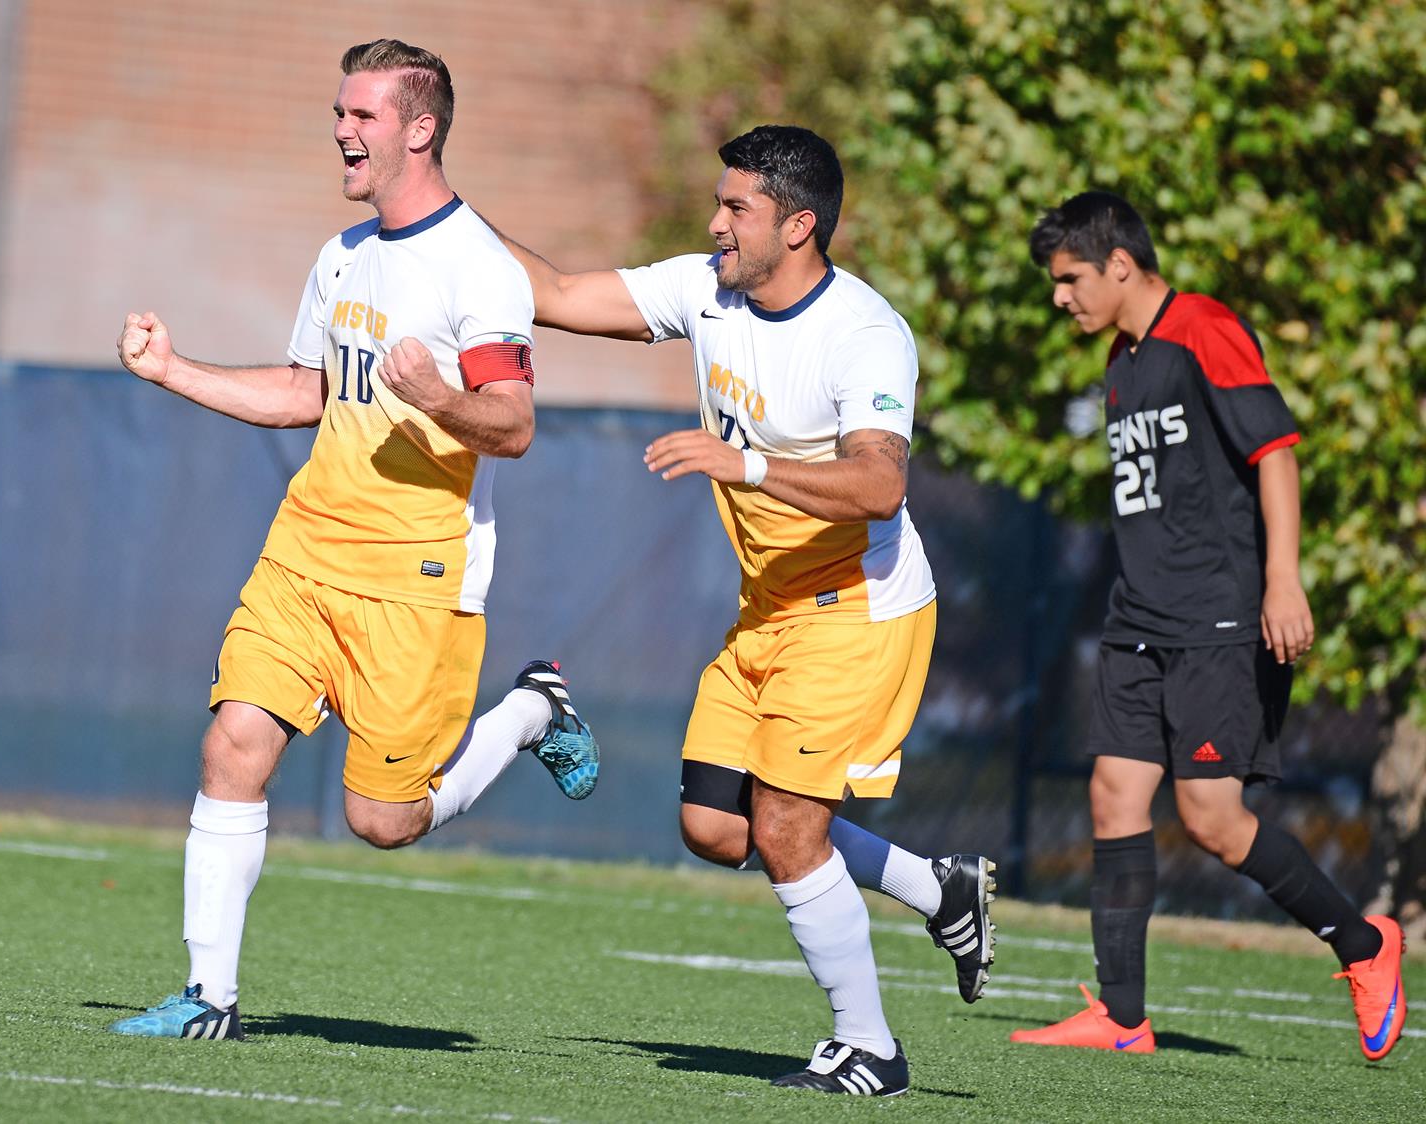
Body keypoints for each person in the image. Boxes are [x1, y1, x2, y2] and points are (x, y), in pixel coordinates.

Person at [106, 38, 598, 1042]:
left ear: (419, 129)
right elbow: (305, 393)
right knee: (231, 742)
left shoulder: (480, 270)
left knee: (384, 820)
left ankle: (526, 713)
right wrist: (172, 371)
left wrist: (437, 395)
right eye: (340, 111)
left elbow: (511, 422)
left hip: (416, 573)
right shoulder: (342, 255)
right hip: (304, 552)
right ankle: (209, 998)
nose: (341, 129)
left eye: (361, 114)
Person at [494, 124, 992, 1097]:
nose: (713, 222)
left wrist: (749, 462)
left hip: (859, 610)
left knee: (787, 827)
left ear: (797, 224)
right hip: (767, 606)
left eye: (736, 209)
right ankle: (941, 887)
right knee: (713, 826)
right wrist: (437, 216)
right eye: (718, 203)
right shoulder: (705, 289)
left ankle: (871, 1048)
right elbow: (553, 294)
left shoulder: (864, 332)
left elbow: (878, 487)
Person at [1011, 191, 1407, 1060]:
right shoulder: (1122, 359)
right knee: (1113, 795)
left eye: (1070, 278)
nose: (1060, 298)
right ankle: (1122, 1019)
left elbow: (1276, 453)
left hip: (1220, 618)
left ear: (1120, 264)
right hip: (1139, 617)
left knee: (1213, 821)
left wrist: (1283, 581)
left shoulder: (1205, 328)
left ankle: (1366, 945)